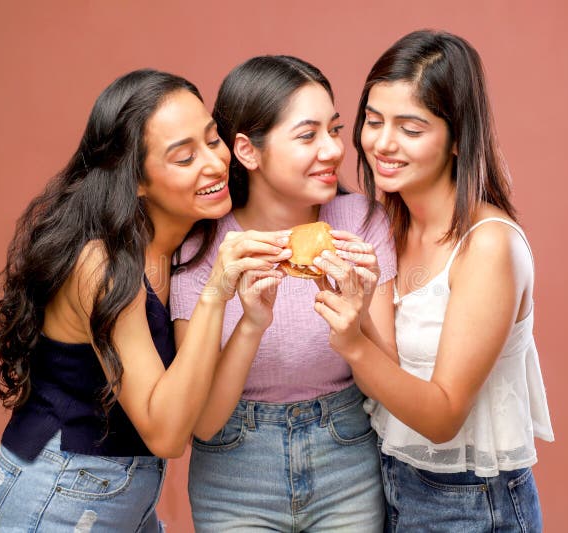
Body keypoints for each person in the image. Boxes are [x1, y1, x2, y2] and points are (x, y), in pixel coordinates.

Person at [0, 69, 290, 532]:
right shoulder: (99, 264)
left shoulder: (185, 242)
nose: (215, 164)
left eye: (212, 139)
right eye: (184, 157)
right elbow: (165, 433)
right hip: (55, 498)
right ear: (136, 180)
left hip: (125, 502)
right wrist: (218, 292)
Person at [313, 30, 555, 532]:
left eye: (411, 128)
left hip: (470, 500)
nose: (383, 143)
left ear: (458, 138)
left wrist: (353, 343)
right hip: (390, 480)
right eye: (373, 121)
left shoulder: (486, 245)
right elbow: (396, 375)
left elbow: (443, 416)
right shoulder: (386, 225)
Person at [170, 55, 396, 532]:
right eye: (308, 135)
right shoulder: (203, 249)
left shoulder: (363, 224)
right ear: (248, 152)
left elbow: (391, 386)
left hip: (348, 460)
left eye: (334, 130)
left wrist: (359, 321)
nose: (333, 150)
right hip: (234, 476)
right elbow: (204, 423)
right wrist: (252, 323)